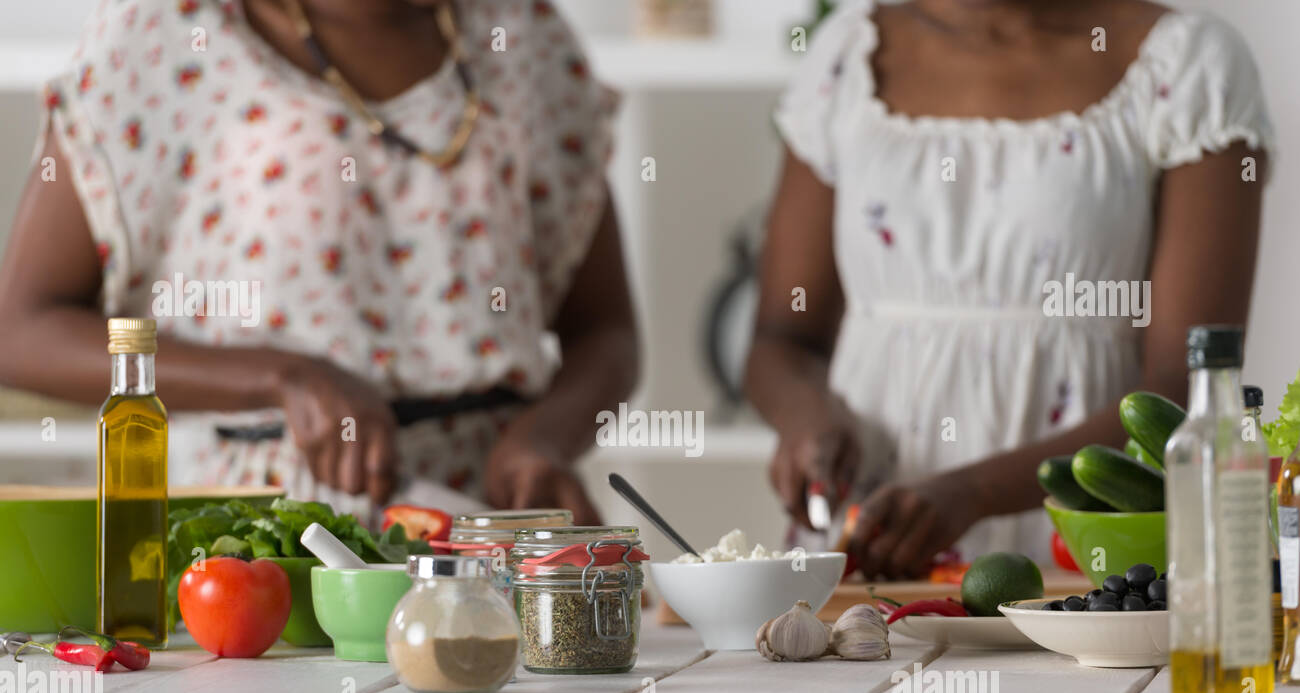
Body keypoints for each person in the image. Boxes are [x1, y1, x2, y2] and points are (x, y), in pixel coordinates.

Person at [0, 0, 637, 523]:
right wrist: (281, 377)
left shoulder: (523, 38)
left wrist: (545, 438)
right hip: (259, 537)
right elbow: (21, 331)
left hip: (492, 525)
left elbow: (605, 330)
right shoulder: (165, 36)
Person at [746, 0, 1272, 578]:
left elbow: (1187, 386)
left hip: (1081, 544)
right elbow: (782, 337)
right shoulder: (848, 55)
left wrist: (974, 492)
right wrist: (807, 423)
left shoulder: (1190, 64)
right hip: (870, 542)